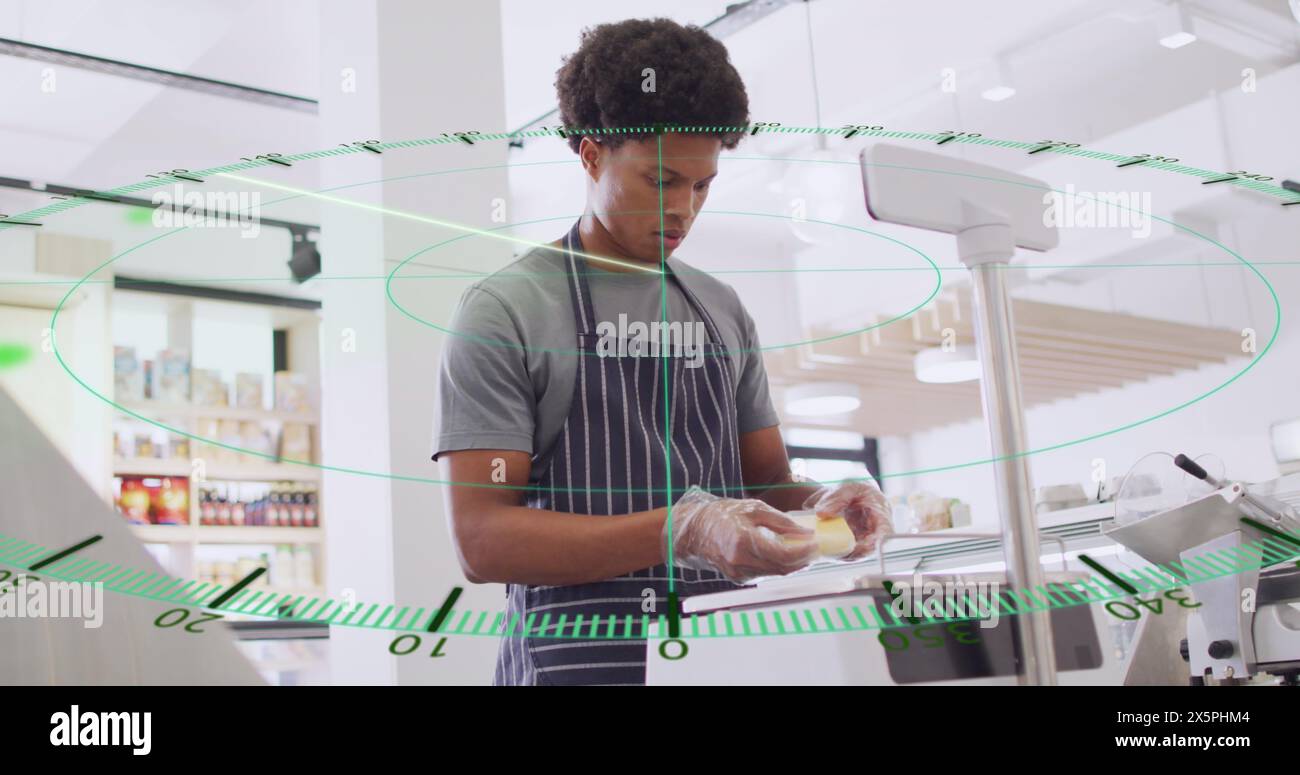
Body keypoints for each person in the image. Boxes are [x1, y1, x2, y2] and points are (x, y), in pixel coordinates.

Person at [432, 17, 891, 686]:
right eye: (660, 180)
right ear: (591, 155)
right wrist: (684, 529)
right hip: (574, 666)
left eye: (702, 186)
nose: (683, 210)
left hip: (725, 662)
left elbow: (763, 480)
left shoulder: (721, 309)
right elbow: (483, 538)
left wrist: (824, 501)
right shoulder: (508, 311)